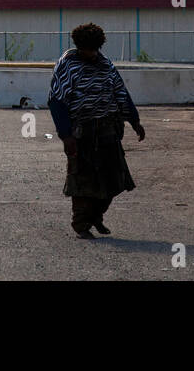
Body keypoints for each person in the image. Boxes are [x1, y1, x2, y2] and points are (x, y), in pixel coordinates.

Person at [46, 22, 145, 239]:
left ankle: (96, 217)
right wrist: (66, 135)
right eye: (87, 50)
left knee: (114, 180)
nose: (91, 54)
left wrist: (134, 120)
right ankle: (81, 224)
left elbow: (120, 91)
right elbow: (56, 101)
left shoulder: (105, 64)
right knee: (83, 182)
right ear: (79, 46)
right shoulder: (67, 66)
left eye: (94, 49)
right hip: (82, 132)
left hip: (108, 129)